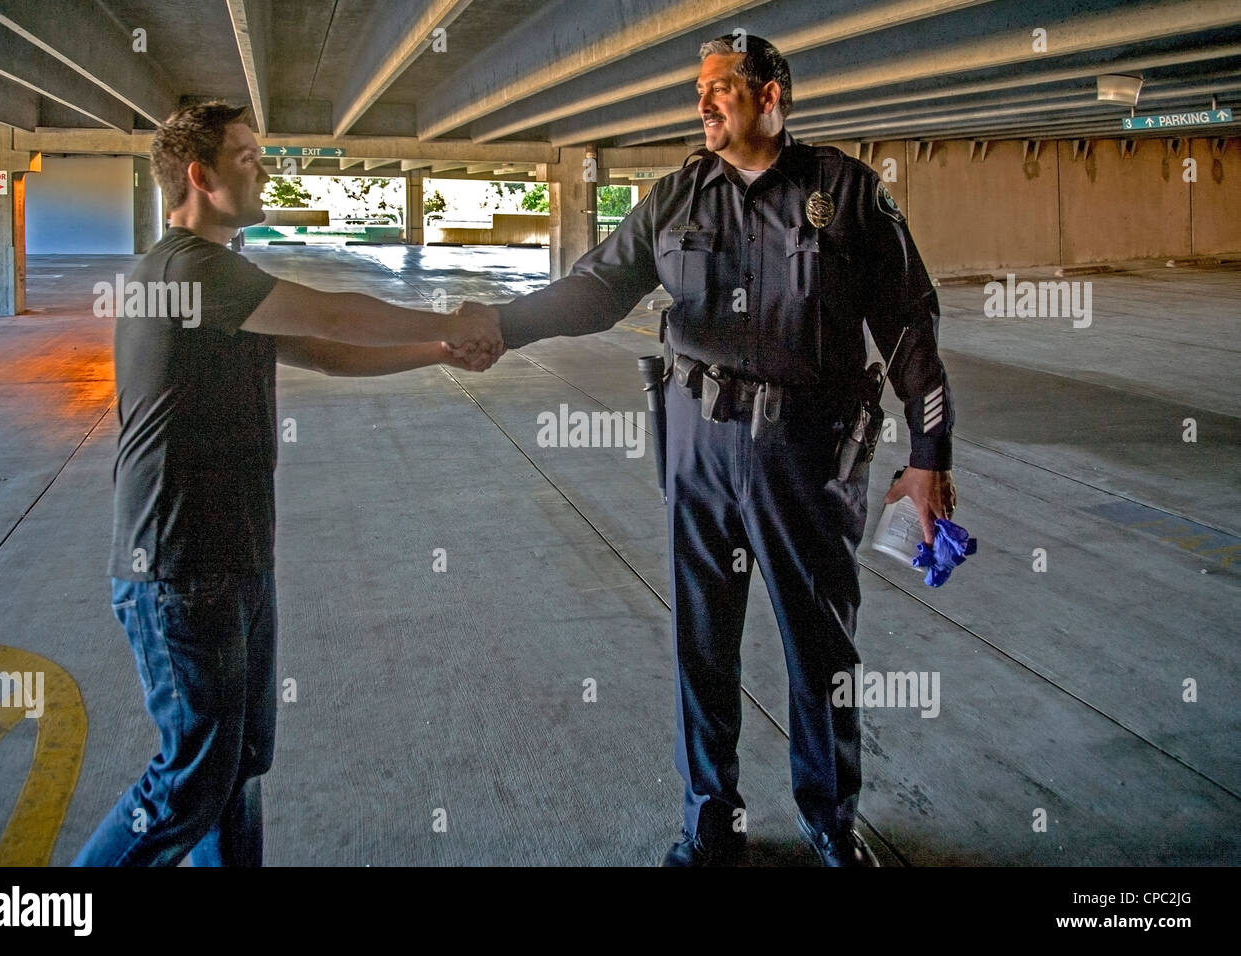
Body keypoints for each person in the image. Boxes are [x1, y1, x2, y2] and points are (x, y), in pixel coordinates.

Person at [471, 35, 957, 866]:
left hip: (808, 455)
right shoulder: (676, 195)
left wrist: (930, 453)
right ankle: (710, 818)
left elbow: (909, 321)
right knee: (700, 640)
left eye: (721, 87)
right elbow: (598, 287)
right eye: (699, 89)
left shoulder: (846, 192)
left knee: (821, 646)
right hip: (699, 448)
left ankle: (829, 819)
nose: (703, 102)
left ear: (772, 95)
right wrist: (502, 325)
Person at [73, 102, 503, 866]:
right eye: (247, 157)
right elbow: (336, 319)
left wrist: (442, 350)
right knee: (189, 784)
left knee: (236, 770)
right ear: (200, 177)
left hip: (231, 557)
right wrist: (448, 312)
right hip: (178, 565)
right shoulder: (188, 268)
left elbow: (327, 353)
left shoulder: (221, 276)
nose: (265, 168)